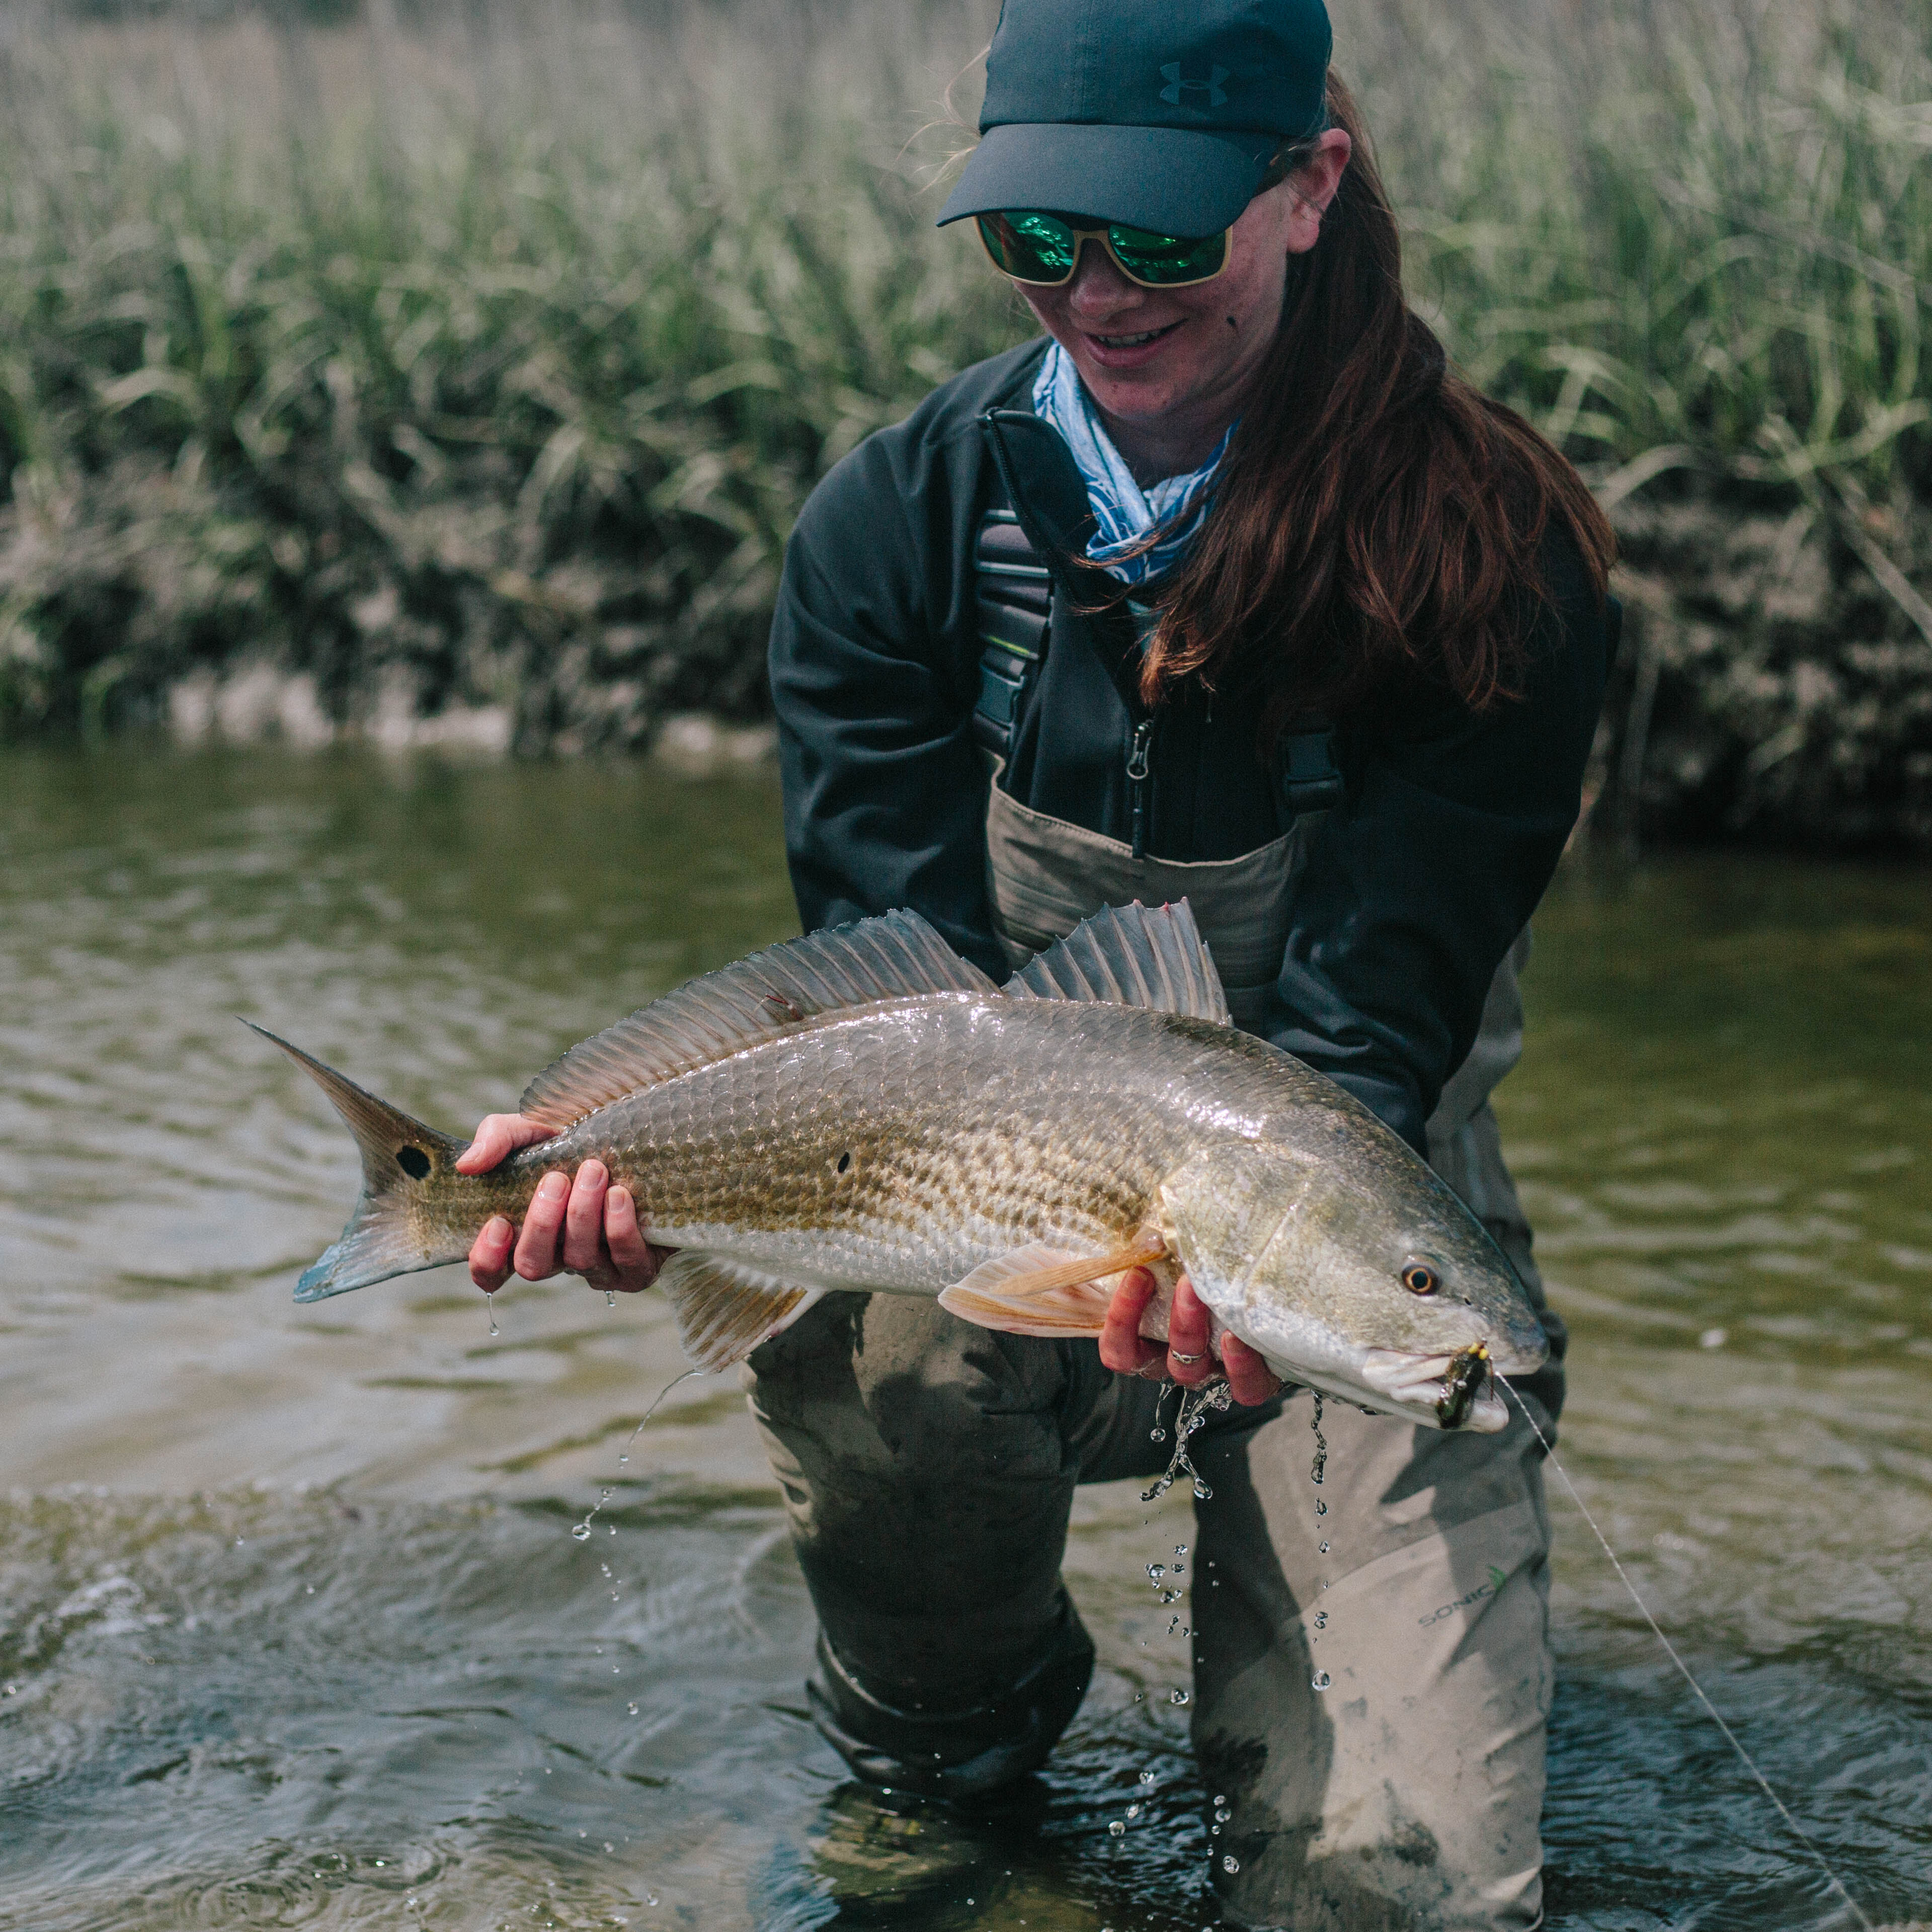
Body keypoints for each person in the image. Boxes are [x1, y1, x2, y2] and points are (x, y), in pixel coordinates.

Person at [457, 0, 1616, 1923]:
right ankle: (957, 1775)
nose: (1097, 291)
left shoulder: (1492, 552)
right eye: (1039, 238)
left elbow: (1366, 1036)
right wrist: (636, 1176)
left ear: (1308, 188)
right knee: (875, 1358)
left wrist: (1245, 1273)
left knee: (1401, 1892)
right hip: (958, 1178)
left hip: (1331, 1201)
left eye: (1164, 236)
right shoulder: (893, 526)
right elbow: (875, 1003)